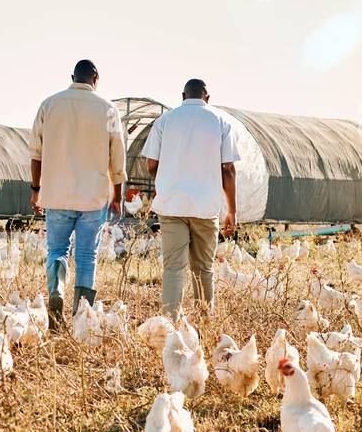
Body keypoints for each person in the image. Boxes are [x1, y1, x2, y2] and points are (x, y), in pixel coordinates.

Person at [29, 60, 127, 326]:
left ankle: (57, 289)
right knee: (86, 256)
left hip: (57, 194)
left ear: (72, 76)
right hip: (92, 197)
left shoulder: (49, 105)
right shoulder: (108, 109)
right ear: (96, 78)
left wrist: (36, 189)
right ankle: (81, 315)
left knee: (57, 249)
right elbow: (117, 155)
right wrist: (117, 195)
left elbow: (36, 153)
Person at [142, 78, 239, 316]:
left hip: (172, 206)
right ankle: (205, 319)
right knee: (203, 268)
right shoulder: (221, 122)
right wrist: (232, 211)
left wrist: (165, 179)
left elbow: (151, 164)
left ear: (182, 96)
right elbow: (227, 169)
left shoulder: (165, 120)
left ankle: (170, 321)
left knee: (173, 268)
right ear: (207, 98)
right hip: (205, 208)